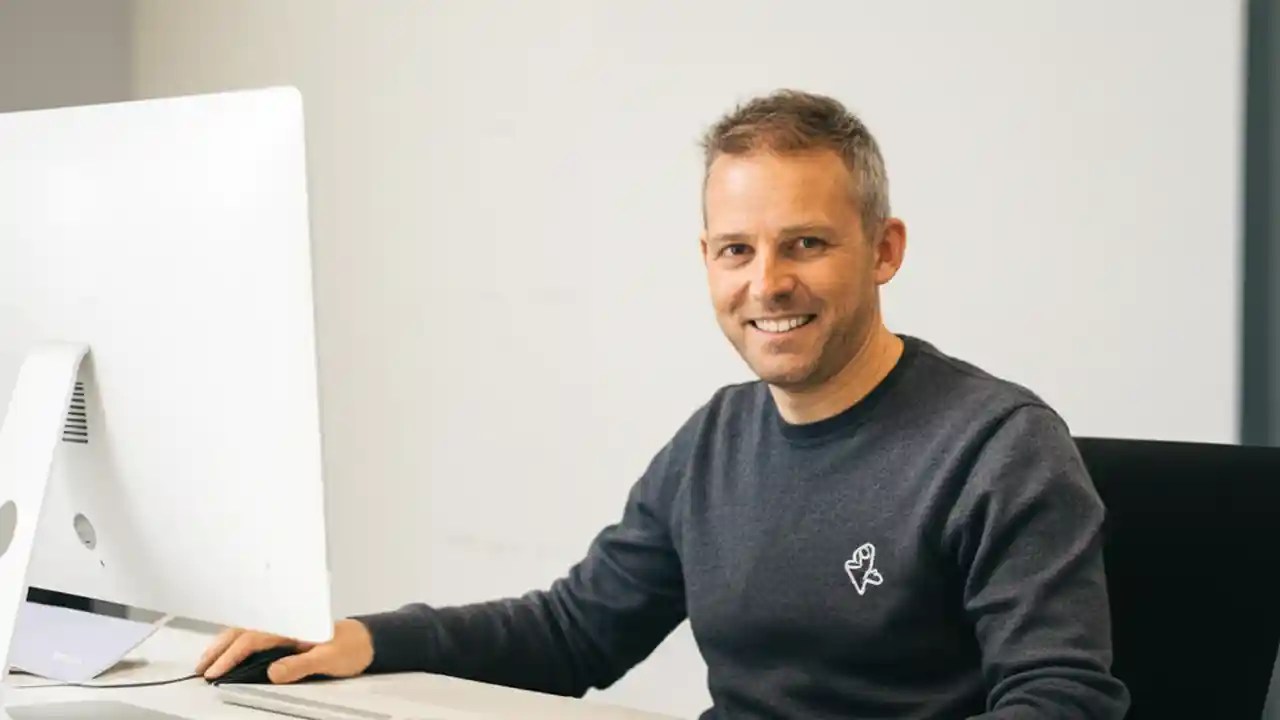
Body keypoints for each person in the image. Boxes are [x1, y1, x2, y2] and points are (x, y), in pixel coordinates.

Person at [198, 89, 1130, 719]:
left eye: (806, 244)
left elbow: (1060, 700)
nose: (768, 283)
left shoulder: (997, 447)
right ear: (707, 261)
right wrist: (363, 637)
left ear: (884, 250)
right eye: (737, 250)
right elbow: (574, 633)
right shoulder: (715, 441)